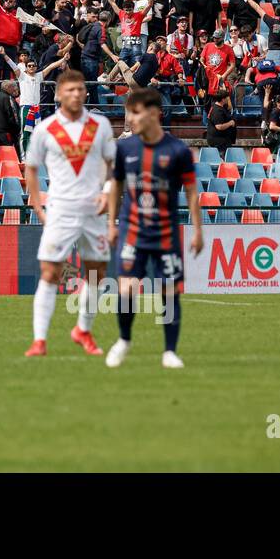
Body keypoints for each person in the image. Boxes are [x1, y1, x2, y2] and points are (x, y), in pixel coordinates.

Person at [104, 88, 204, 370]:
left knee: (169, 292)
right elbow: (116, 187)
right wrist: (111, 224)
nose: (131, 119)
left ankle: (170, 351)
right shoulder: (125, 148)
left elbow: (192, 193)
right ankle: (124, 340)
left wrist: (197, 231)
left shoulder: (178, 151)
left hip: (166, 233)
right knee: (126, 289)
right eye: (129, 113)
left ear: (153, 114)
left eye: (135, 113)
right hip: (132, 230)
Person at [22, 69, 115, 359]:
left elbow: (112, 164)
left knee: (97, 273)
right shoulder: (45, 128)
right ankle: (39, 340)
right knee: (50, 272)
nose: (76, 94)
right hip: (60, 208)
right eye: (70, 90)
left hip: (93, 209)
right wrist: (37, 205)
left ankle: (83, 330)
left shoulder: (100, 125)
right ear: (59, 93)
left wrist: (107, 190)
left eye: (80, 89)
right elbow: (32, 168)